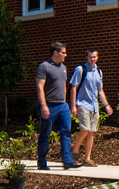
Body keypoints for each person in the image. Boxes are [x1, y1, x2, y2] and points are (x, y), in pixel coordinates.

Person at [35, 41, 79, 170]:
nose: (66, 55)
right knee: (45, 134)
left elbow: (64, 87)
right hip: (49, 105)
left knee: (66, 132)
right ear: (55, 53)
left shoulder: (63, 68)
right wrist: (43, 105)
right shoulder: (44, 67)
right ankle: (42, 162)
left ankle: (68, 161)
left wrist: (68, 104)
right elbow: (39, 86)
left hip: (62, 106)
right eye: (63, 52)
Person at [69, 49, 113, 166]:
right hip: (83, 104)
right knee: (86, 129)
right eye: (90, 57)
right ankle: (75, 150)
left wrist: (106, 105)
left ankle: (87, 159)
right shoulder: (80, 70)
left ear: (97, 57)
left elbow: (100, 90)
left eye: (94, 57)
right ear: (86, 58)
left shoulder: (99, 72)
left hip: (94, 106)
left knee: (91, 132)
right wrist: (73, 105)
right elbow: (73, 87)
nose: (92, 59)